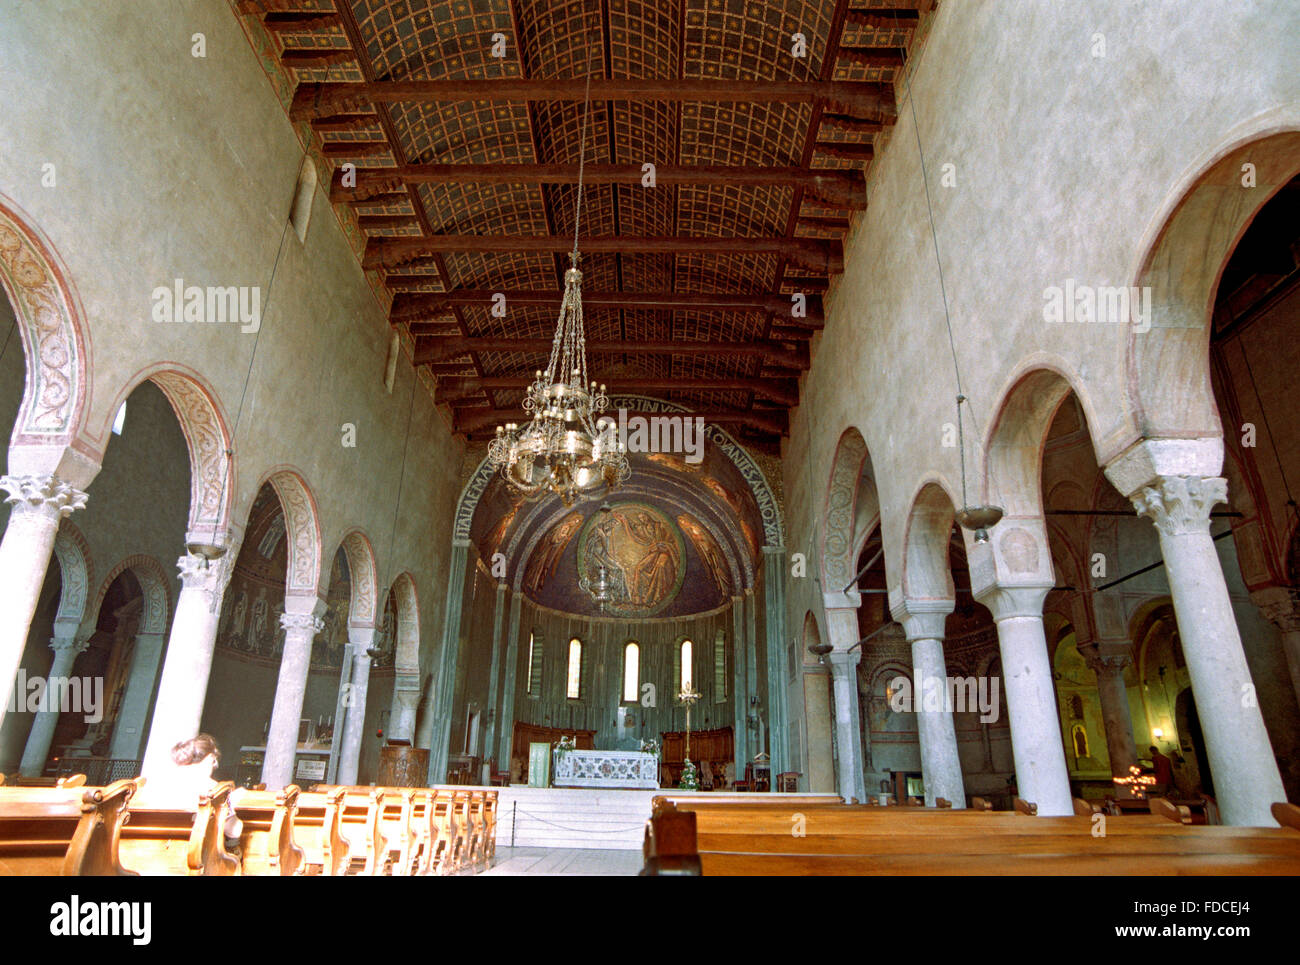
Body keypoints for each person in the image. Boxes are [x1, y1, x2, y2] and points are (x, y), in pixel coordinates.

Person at [145, 734, 243, 849]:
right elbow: (234, 831)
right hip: (193, 857)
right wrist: (233, 803)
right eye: (214, 762)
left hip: (147, 852)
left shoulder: (155, 781)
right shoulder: (213, 788)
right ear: (211, 758)